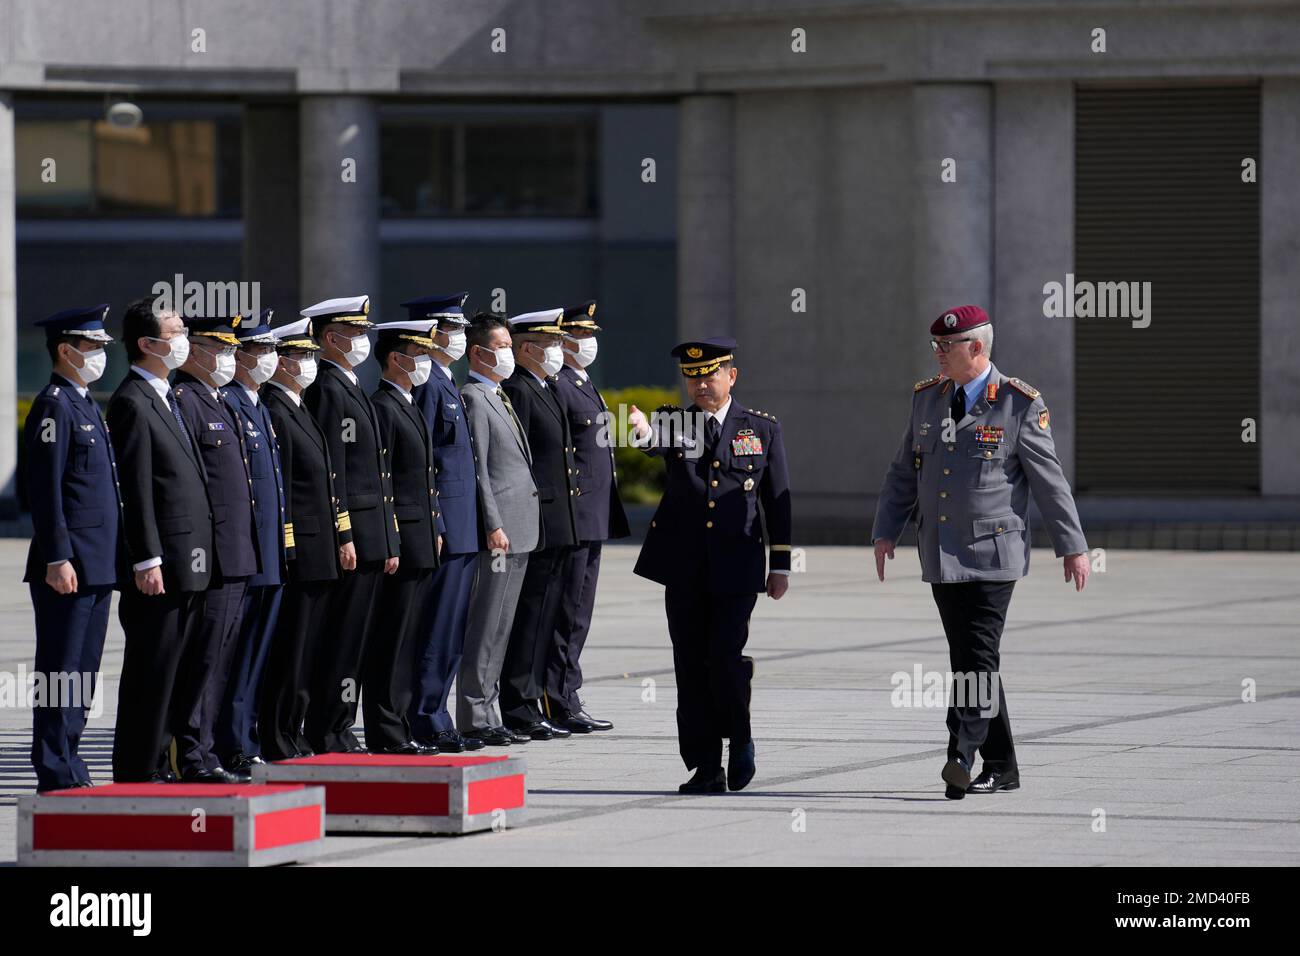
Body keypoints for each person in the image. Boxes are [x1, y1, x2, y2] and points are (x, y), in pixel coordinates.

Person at [871, 304, 1090, 799]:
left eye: (946, 347)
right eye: (936, 347)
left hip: (994, 554)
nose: (938, 355)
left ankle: (960, 753)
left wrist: (1072, 547)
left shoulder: (1018, 403)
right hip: (941, 552)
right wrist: (886, 530)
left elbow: (1050, 483)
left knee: (977, 655)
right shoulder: (927, 400)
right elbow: (904, 471)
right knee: (972, 657)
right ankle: (1003, 764)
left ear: (977, 348)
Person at [633, 337, 792, 794]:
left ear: (731, 376)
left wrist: (779, 565)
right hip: (682, 567)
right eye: (692, 377)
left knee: (724, 661)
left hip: (736, 568)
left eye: (709, 375)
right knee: (689, 665)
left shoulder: (761, 428)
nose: (700, 384)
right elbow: (647, 443)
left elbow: (777, 503)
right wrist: (640, 432)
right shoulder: (672, 422)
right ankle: (705, 765)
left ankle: (739, 738)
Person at [107, 296, 215, 782]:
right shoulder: (132, 400)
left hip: (189, 559)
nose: (184, 341)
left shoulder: (169, 396)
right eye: (175, 333)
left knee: (177, 669)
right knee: (152, 670)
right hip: (161, 563)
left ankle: (162, 762)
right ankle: (138, 768)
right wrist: (146, 557)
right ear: (147, 343)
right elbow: (136, 488)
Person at [25, 305, 121, 792]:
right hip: (69, 565)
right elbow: (44, 490)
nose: (102, 355)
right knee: (60, 673)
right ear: (66, 350)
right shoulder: (53, 405)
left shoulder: (84, 402)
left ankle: (71, 762)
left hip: (98, 565)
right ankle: (54, 768)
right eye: (93, 347)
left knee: (82, 674)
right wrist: (57, 556)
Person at [302, 295, 399, 753]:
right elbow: (333, 471)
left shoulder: (350, 384)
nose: (363, 341)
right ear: (330, 338)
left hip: (372, 533)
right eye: (354, 333)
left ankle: (340, 724)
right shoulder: (326, 388)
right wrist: (344, 532)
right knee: (340, 641)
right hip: (353, 536)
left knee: (355, 640)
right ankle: (328, 728)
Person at [170, 316, 260, 782]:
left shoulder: (218, 400)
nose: (227, 356)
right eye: (218, 348)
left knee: (221, 658)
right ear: (194, 351)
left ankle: (205, 752)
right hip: (213, 554)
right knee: (202, 658)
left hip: (237, 551)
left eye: (230, 348)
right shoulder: (185, 400)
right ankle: (187, 752)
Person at [258, 318, 341, 760]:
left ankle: (295, 730)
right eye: (300, 356)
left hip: (320, 545)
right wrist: (290, 546)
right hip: (302, 548)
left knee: (309, 648)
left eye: (312, 355)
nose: (309, 364)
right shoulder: (275, 408)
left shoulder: (298, 405)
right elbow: (285, 490)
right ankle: (278, 733)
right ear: (279, 362)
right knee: (291, 650)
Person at [456, 312, 539, 748]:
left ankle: (489, 711)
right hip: (501, 531)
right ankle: (474, 715)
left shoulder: (499, 395)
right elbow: (480, 471)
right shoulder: (473, 397)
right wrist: (493, 523)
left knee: (502, 627)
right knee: (485, 626)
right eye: (503, 345)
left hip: (521, 526)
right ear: (479, 352)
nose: (508, 352)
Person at [406, 293, 484, 752]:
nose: (457, 336)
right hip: (448, 529)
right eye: (450, 328)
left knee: (453, 628)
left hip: (464, 525)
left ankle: (439, 714)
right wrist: (435, 521)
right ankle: (426, 716)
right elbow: (424, 463)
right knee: (437, 628)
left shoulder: (445, 380)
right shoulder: (430, 386)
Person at [363, 319, 444, 754]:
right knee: (391, 641)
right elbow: (384, 482)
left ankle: (403, 724)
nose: (427, 363)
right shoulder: (384, 406)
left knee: (411, 637)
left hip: (422, 537)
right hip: (402, 541)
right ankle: (386, 730)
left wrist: (435, 526)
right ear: (397, 359)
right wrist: (392, 539)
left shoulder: (408, 403)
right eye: (421, 355)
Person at [546, 300, 627, 732]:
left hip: (593, 514)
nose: (588, 343)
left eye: (591, 335)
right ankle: (556, 698)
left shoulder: (581, 380)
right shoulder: (558, 384)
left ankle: (566, 692)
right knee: (566, 610)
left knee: (579, 611)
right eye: (580, 336)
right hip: (576, 515)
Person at [498, 308, 579, 741]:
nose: (556, 351)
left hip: (559, 518)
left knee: (547, 614)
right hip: (538, 519)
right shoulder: (520, 390)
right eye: (548, 345)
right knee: (529, 615)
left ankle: (532, 700)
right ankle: (517, 703)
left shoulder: (543, 386)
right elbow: (518, 463)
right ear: (526, 349)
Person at [216, 309, 286, 774]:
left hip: (271, 550)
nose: (269, 358)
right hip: (247, 551)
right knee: (235, 656)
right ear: (238, 356)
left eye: (270, 349)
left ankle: (247, 734)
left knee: (259, 654)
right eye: (259, 350)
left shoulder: (259, 405)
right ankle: (231, 741)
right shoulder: (231, 404)